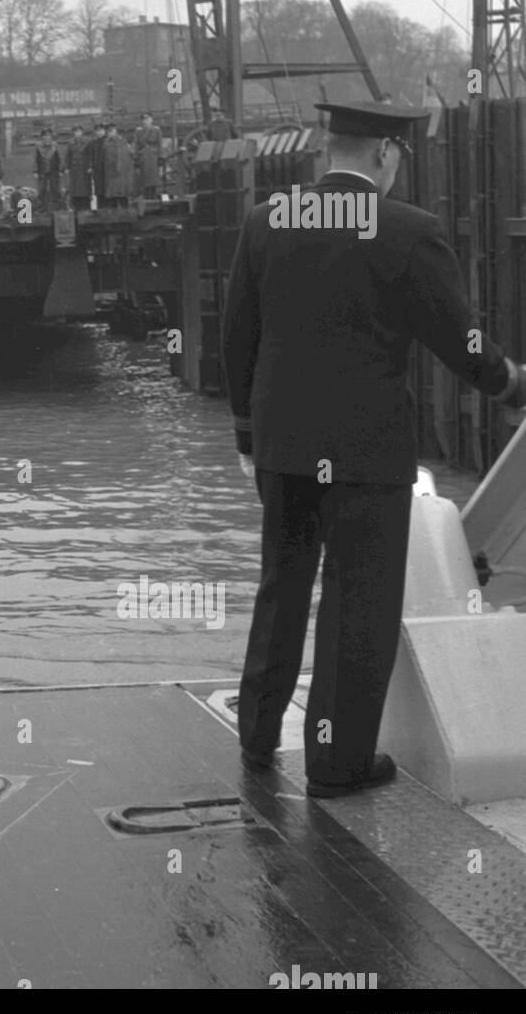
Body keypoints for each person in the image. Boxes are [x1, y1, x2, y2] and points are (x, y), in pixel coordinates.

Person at [222, 99, 526, 798]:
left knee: (283, 588)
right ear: (387, 156)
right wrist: (510, 382)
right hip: (366, 451)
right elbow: (462, 343)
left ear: (331, 151)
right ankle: (336, 763)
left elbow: (240, 337)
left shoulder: (269, 221)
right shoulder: (407, 232)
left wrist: (247, 439)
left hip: (282, 445)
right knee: (357, 607)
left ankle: (258, 740)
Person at [134, 113, 163, 200]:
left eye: (147, 119)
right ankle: (146, 197)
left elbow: (159, 144)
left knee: (153, 179)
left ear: (151, 120)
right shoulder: (138, 132)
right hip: (143, 156)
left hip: (153, 156)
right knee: (144, 179)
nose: (145, 121)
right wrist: (136, 159)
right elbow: (136, 145)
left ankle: (153, 196)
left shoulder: (156, 130)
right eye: (144, 120)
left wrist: (160, 157)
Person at [102, 124, 132, 207]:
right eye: (108, 131)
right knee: (112, 194)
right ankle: (114, 212)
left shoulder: (121, 141)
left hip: (119, 171)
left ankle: (125, 211)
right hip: (109, 170)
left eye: (112, 131)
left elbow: (122, 156)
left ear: (115, 131)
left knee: (121, 193)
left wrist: (118, 168)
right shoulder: (106, 142)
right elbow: (105, 156)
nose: (110, 133)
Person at [34, 127, 62, 212]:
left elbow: (59, 159)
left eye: (49, 136)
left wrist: (60, 170)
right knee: (41, 190)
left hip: (54, 171)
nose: (47, 138)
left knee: (55, 190)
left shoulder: (55, 146)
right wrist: (35, 171)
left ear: (51, 137)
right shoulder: (38, 146)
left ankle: (57, 209)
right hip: (42, 172)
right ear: (42, 137)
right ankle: (41, 209)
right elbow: (35, 159)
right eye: (45, 136)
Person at [68, 125, 95, 211]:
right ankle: (76, 209)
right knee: (74, 190)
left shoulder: (88, 141)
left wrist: (91, 166)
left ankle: (87, 209)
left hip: (85, 170)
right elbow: (68, 156)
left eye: (79, 131)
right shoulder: (70, 142)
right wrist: (66, 167)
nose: (78, 133)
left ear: (82, 132)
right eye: (76, 132)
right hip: (74, 170)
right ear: (73, 133)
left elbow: (91, 154)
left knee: (85, 190)